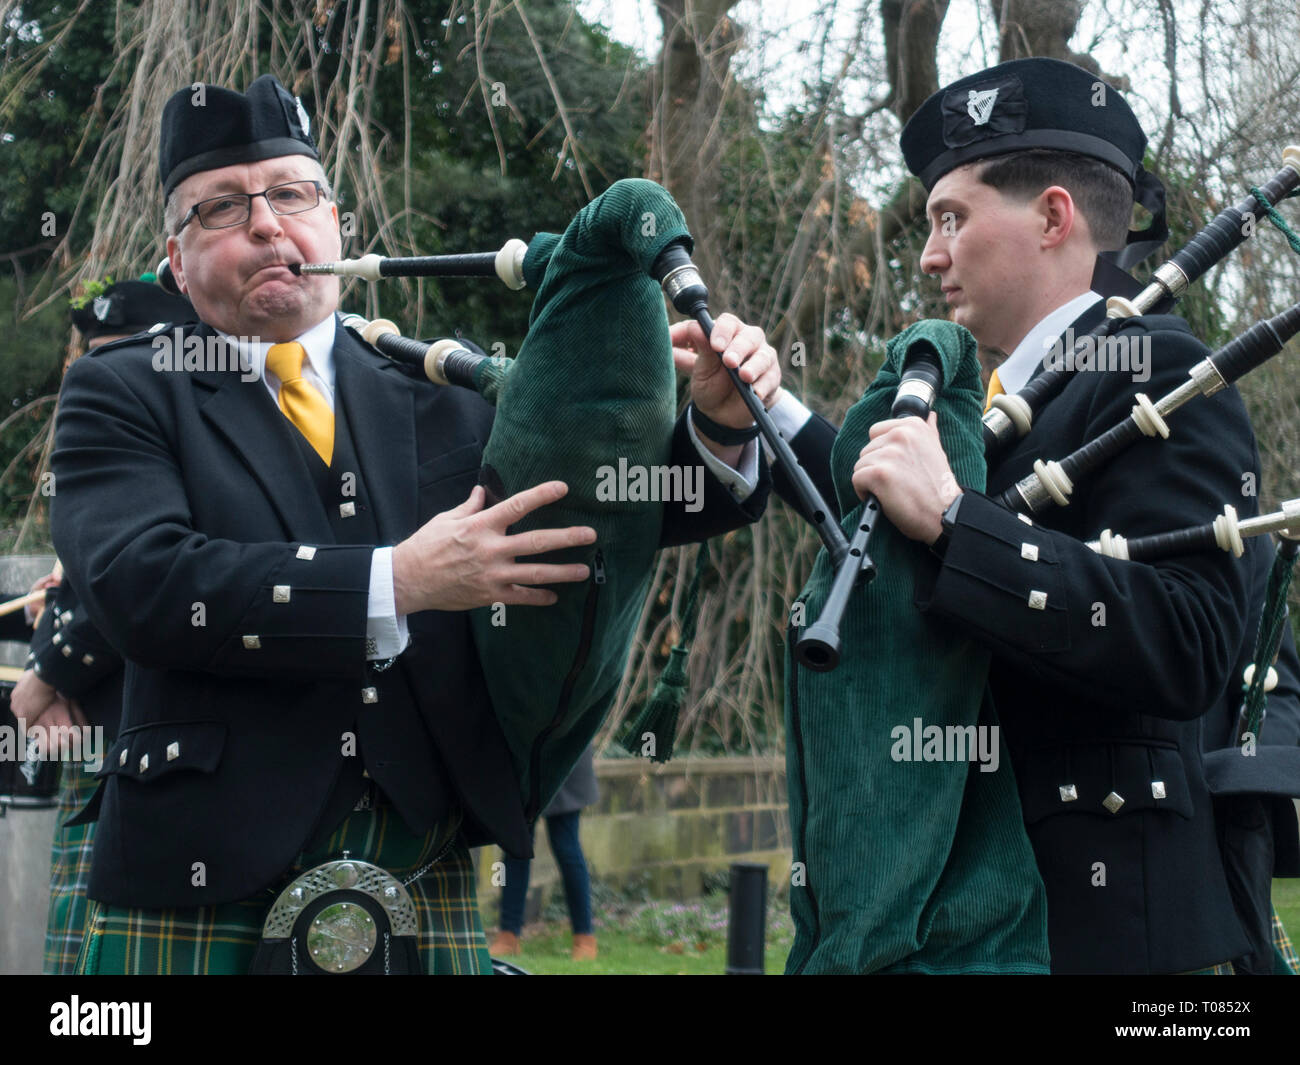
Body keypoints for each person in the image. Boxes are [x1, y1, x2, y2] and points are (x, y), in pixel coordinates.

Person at [49, 74, 782, 975]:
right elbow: (142, 584)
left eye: (291, 193)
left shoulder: (437, 387)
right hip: (202, 883)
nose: (269, 225)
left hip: (419, 871)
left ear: (336, 222)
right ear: (175, 257)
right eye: (223, 208)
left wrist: (720, 421)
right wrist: (400, 580)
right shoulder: (121, 391)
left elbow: (598, 513)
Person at [776, 57, 1292, 973]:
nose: (930, 254)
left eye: (952, 218)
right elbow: (895, 530)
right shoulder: (989, 403)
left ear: (1054, 217)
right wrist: (761, 410)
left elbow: (1192, 637)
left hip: (1119, 948)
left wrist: (954, 521)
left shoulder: (1157, 368)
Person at [8, 278, 196, 974]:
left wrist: (46, 674)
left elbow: (144, 578)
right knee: (78, 954)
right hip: (99, 726)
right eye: (95, 355)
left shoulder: (192, 425)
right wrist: (50, 619)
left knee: (123, 959)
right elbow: (89, 575)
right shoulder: (110, 423)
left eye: (127, 352)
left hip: (150, 735)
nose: (107, 372)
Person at [491, 744, 599, 961]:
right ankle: (508, 934)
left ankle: (584, 937)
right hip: (525, 749)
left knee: (566, 846)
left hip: (569, 746)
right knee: (515, 846)